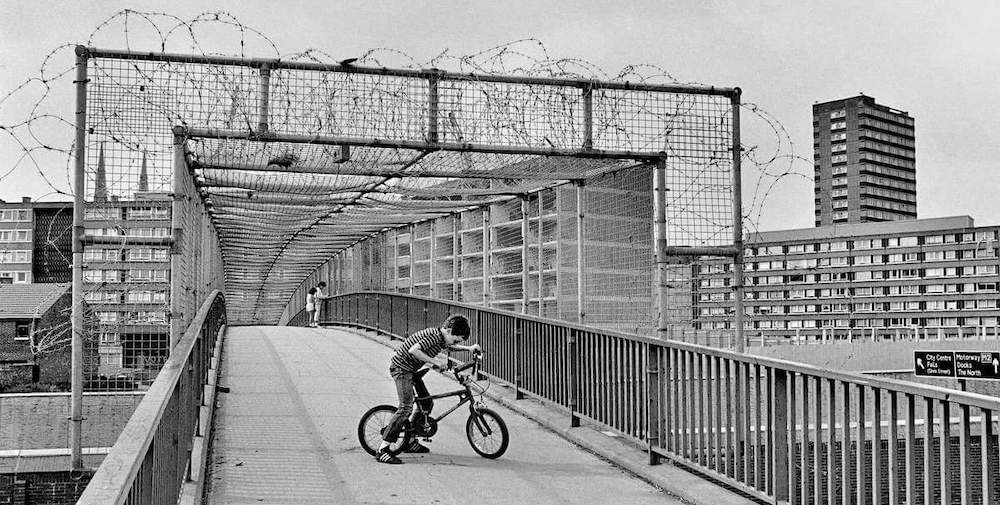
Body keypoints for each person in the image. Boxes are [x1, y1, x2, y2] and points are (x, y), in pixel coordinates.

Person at [375, 314, 480, 464]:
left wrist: (468, 348)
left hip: (412, 370)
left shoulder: (442, 337)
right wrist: (435, 362)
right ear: (449, 331)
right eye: (456, 339)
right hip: (402, 369)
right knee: (406, 407)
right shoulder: (433, 336)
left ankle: (409, 441)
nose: (455, 342)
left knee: (426, 404)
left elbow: (450, 346)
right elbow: (413, 350)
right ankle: (383, 449)